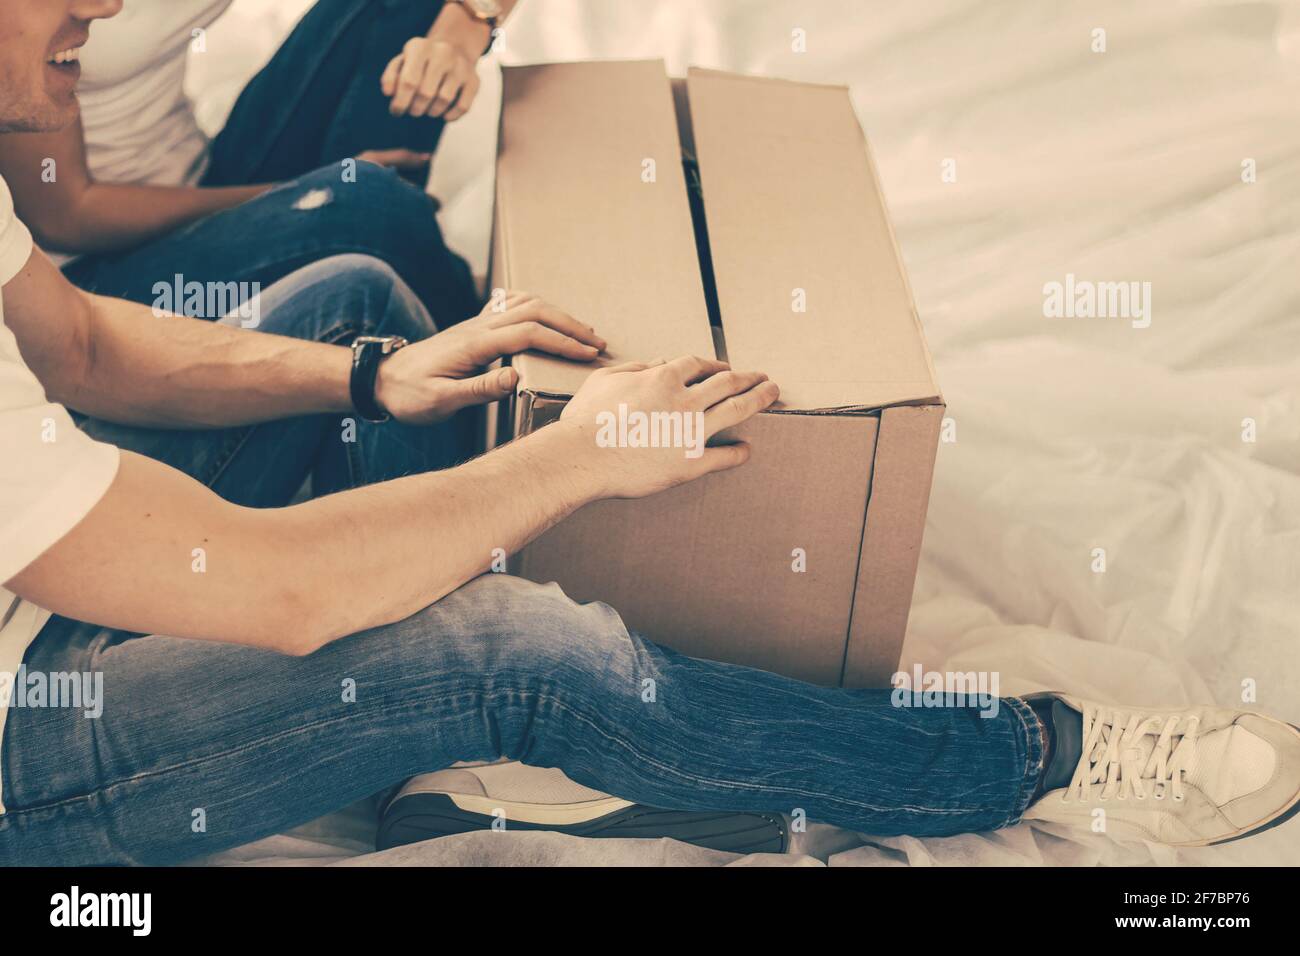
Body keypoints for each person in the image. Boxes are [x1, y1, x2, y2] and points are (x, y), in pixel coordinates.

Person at [1, 0, 1297, 867]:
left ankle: (451, 736)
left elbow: (81, 344)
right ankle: (1036, 753)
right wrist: (576, 454)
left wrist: (376, 376)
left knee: (365, 305)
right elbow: (277, 591)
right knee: (506, 652)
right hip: (30, 743)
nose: (96, 17)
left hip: (54, 566)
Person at [0, 0, 518, 325]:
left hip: (203, 171)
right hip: (104, 272)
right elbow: (65, 215)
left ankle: (421, 287)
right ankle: (487, 364)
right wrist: (300, 194)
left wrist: (464, 27)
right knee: (370, 200)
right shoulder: (30, 31)